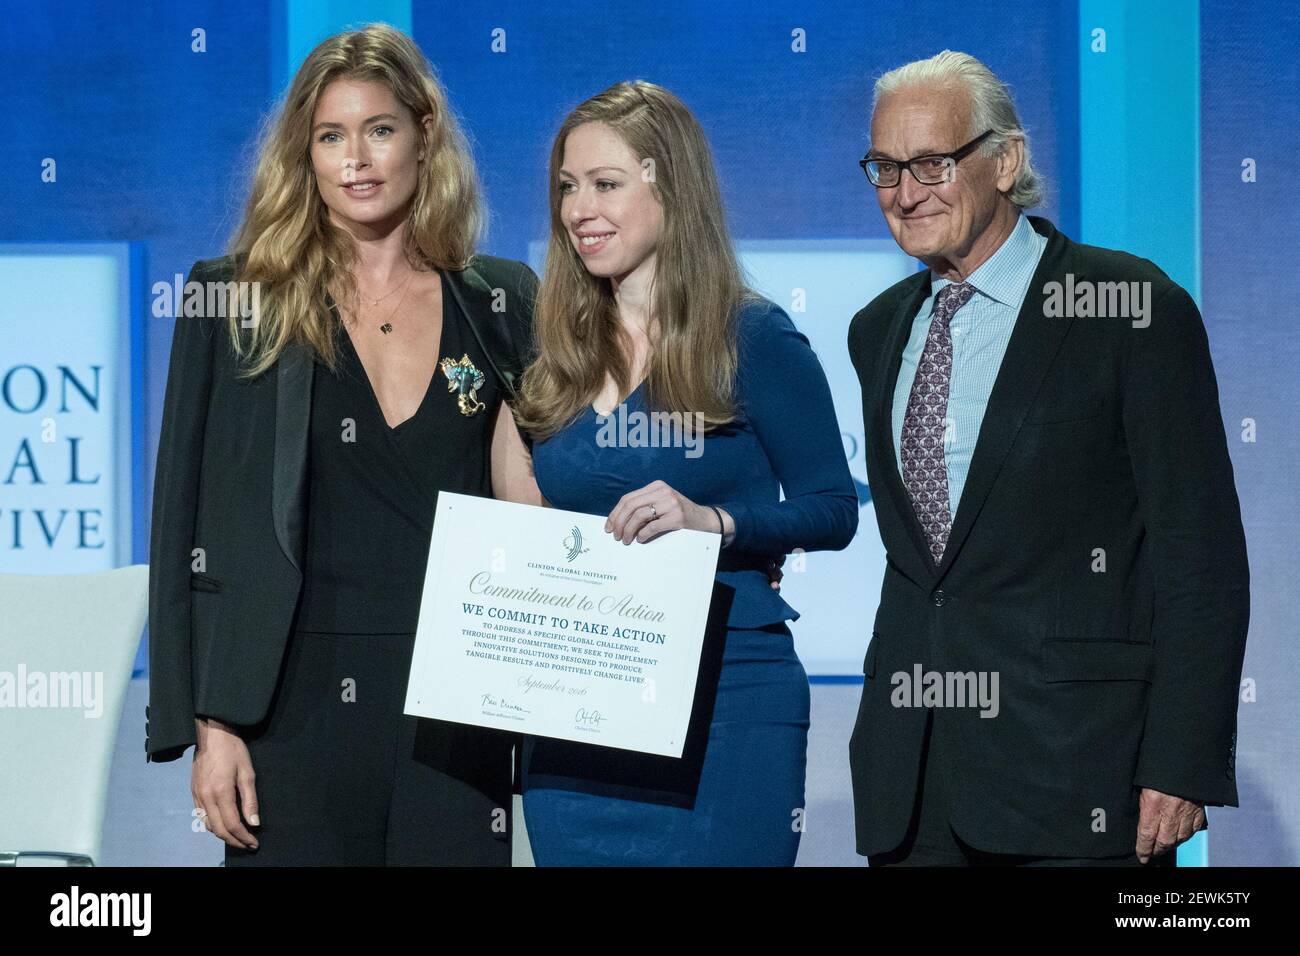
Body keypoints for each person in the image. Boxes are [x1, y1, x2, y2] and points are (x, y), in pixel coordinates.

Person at [146, 24, 540, 866]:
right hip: (284, 709)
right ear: (306, 153)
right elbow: (180, 520)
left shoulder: (501, 299)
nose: (356, 158)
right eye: (331, 136)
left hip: (457, 705)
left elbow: (540, 494)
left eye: (379, 130)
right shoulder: (234, 299)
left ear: (423, 134)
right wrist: (209, 726)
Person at [847, 50, 1249, 866]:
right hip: (912, 784)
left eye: (931, 162)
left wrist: (1179, 762)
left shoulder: (1130, 308)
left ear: (1007, 160)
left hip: (1080, 775)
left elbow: (1199, 558)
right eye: (885, 167)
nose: (905, 191)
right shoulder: (878, 329)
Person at [500, 81, 858, 866]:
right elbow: (521, 530)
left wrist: (714, 522)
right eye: (566, 187)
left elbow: (835, 509)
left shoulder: (753, 338)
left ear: (672, 187)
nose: (578, 209)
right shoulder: (552, 361)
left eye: (605, 184)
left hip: (729, 704)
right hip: (579, 716)